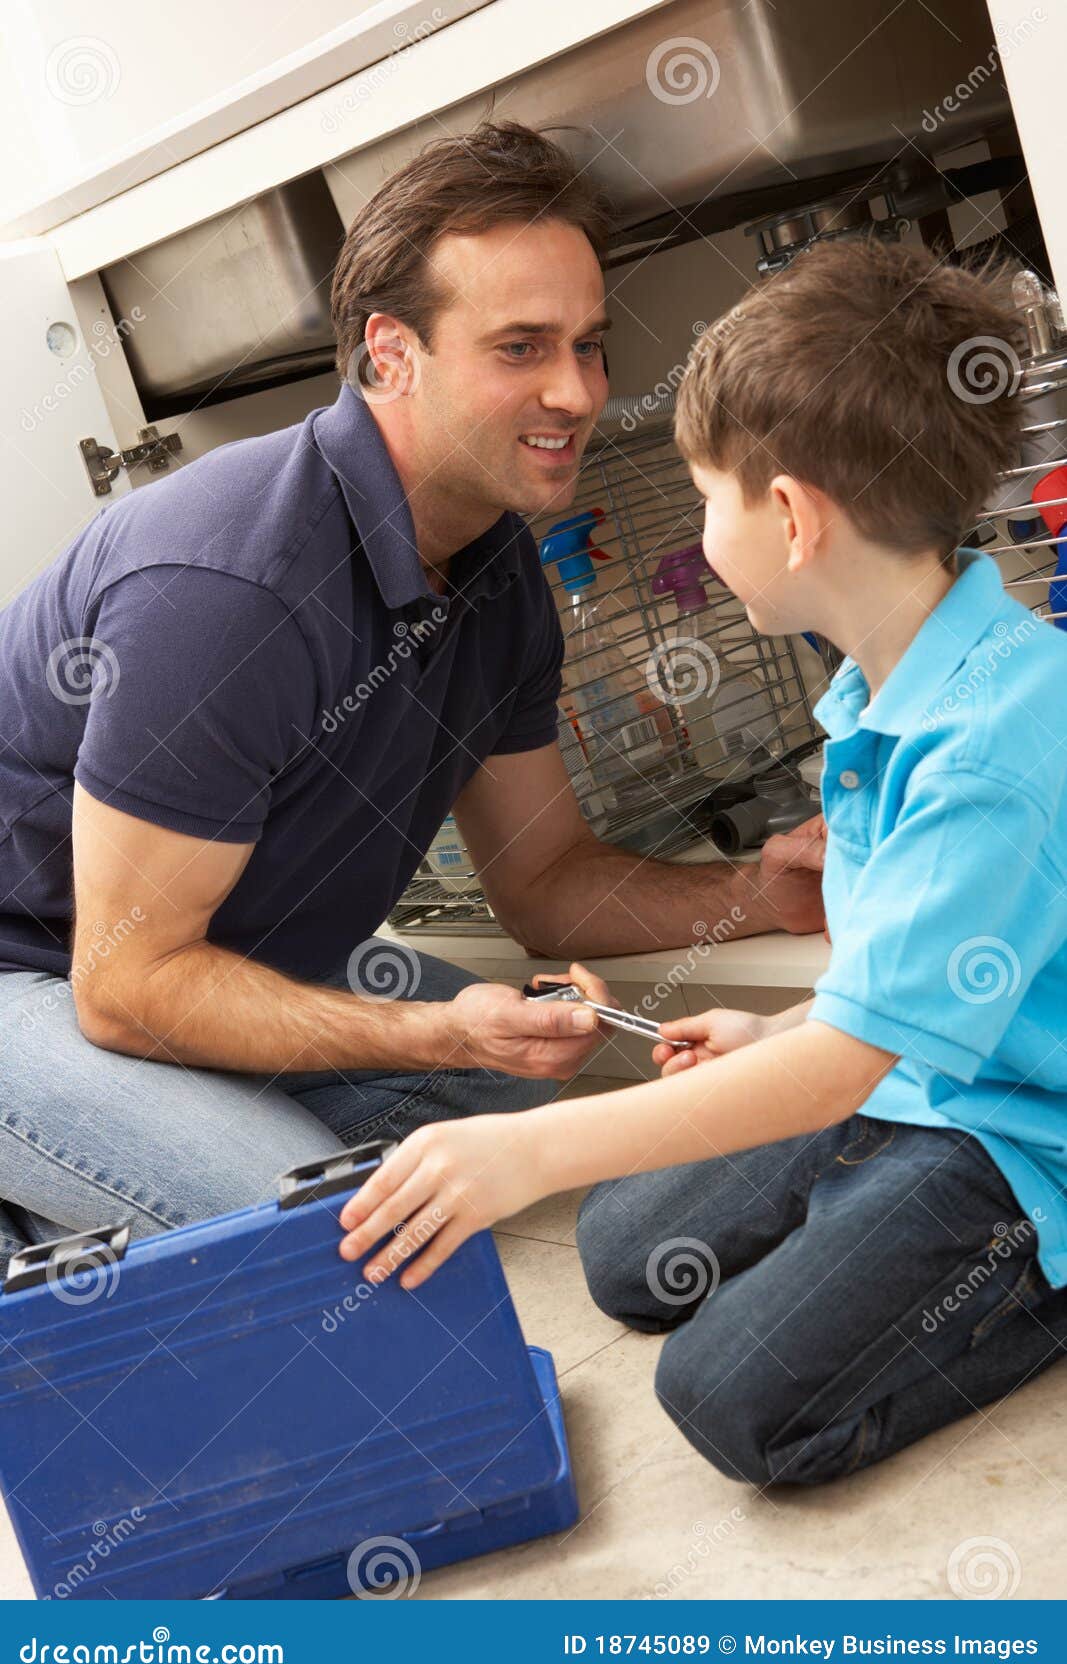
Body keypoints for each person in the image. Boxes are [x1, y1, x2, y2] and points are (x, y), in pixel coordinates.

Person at [0, 121, 823, 1276]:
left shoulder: (497, 577)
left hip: (206, 963)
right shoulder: (226, 585)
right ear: (391, 353)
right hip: (37, 982)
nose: (575, 390)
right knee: (325, 1224)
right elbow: (127, 986)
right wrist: (432, 1025)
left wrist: (757, 895)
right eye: (521, 347)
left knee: (519, 1128)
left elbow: (544, 883)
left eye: (588, 345)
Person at [336, 237, 1067, 1488]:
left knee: (729, 1402)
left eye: (703, 493)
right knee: (626, 1253)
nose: (701, 524)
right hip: (921, 1083)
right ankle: (874, 1208)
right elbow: (882, 1007)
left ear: (787, 515)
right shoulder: (886, 693)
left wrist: (528, 1151)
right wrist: (769, 1040)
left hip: (1019, 1141)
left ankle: (1024, 1281)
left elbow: (846, 1060)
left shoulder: (992, 751)